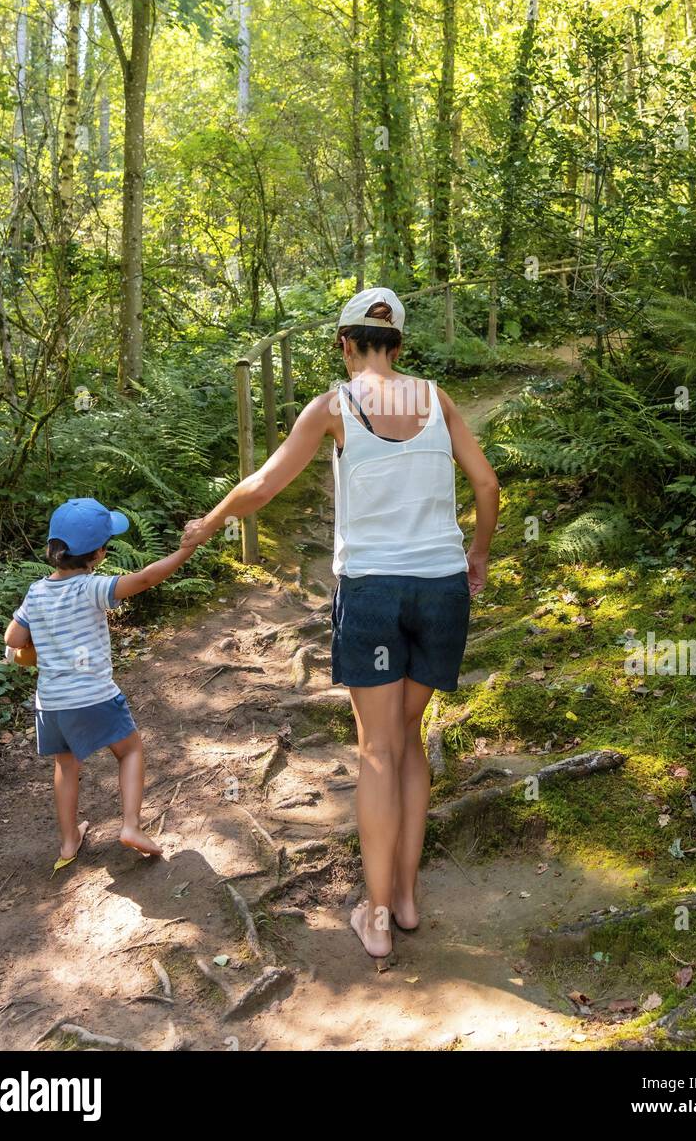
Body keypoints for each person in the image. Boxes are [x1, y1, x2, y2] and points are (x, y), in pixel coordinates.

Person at [181, 287, 500, 957]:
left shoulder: (335, 406)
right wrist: (477, 555)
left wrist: (207, 524)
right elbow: (487, 485)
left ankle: (378, 917)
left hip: (374, 592)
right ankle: (406, 900)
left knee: (378, 751)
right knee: (408, 741)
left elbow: (265, 485)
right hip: (441, 589)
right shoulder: (436, 399)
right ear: (399, 346)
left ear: (345, 343)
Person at [3, 497, 197, 873]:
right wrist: (184, 551)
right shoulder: (90, 588)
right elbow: (145, 578)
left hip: (51, 703)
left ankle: (68, 841)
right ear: (98, 554)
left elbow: (13, 638)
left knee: (66, 764)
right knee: (129, 750)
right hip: (92, 695)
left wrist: (35, 645)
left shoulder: (36, 591)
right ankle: (130, 825)